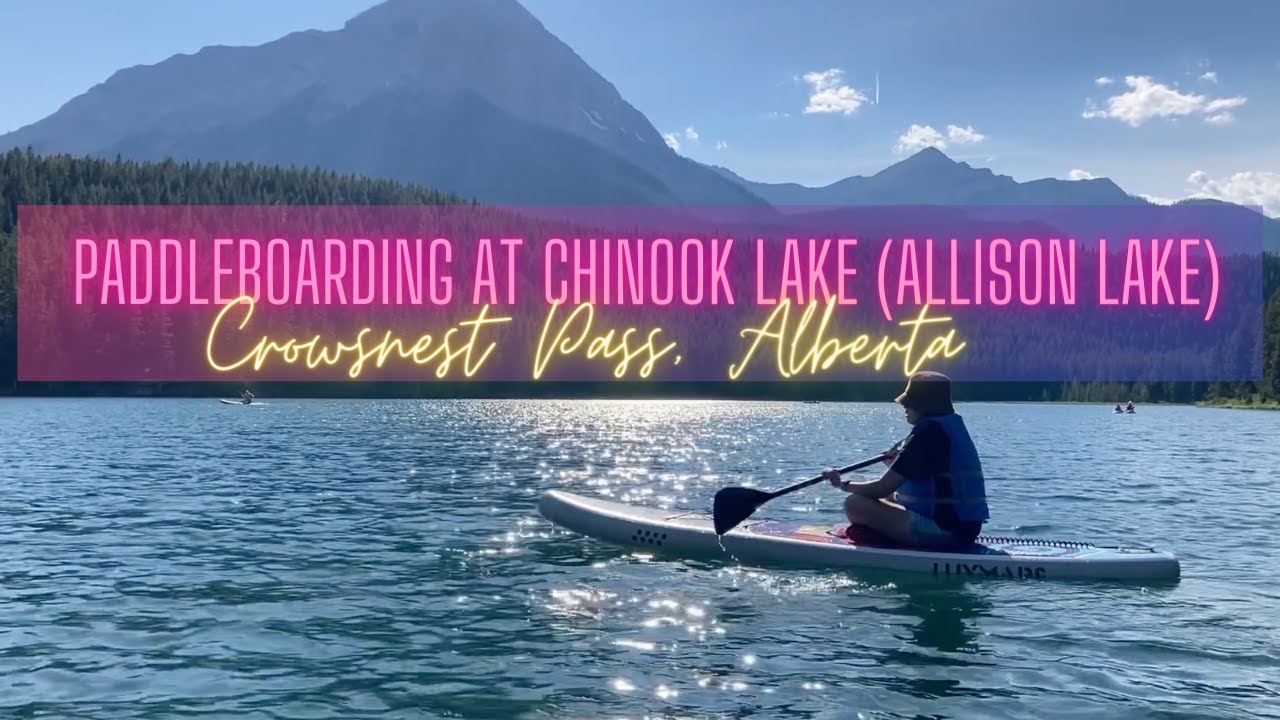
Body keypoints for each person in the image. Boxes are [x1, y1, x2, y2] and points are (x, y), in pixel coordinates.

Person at [822, 370, 988, 549]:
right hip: (965, 529)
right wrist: (895, 463)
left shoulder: (927, 433)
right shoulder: (946, 426)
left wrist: (841, 484)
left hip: (946, 532)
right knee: (889, 497)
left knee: (855, 503)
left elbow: (880, 488)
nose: (905, 409)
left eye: (909, 404)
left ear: (923, 405)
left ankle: (882, 538)